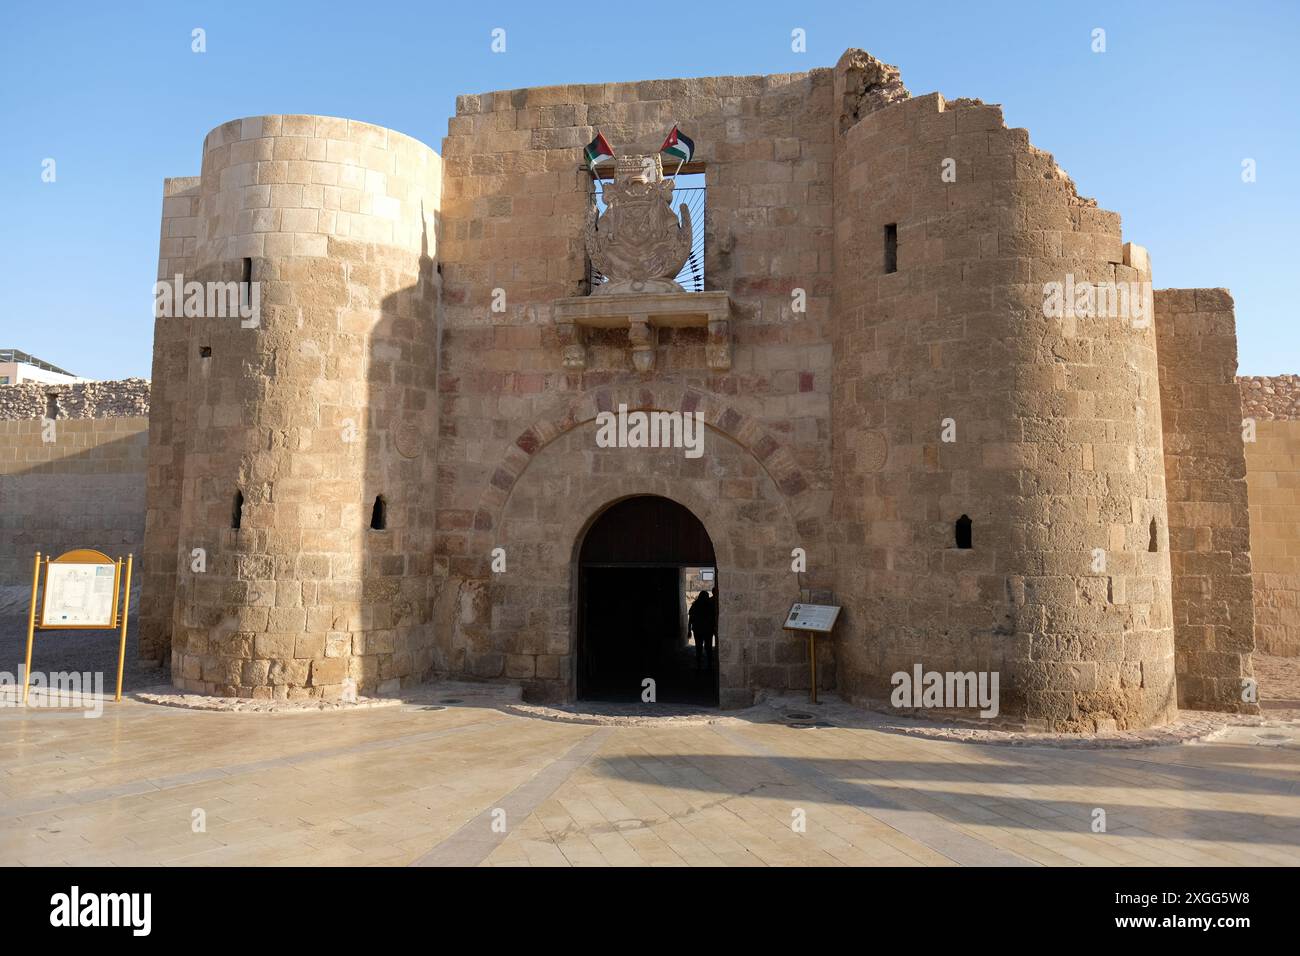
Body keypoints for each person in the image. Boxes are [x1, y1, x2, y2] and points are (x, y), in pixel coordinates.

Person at [690, 589, 717, 668]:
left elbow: (691, 618)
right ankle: (709, 665)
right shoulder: (710, 605)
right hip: (707, 630)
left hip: (698, 630)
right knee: (708, 648)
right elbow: (713, 617)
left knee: (699, 648)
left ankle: (699, 665)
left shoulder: (695, 605)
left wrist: (689, 630)